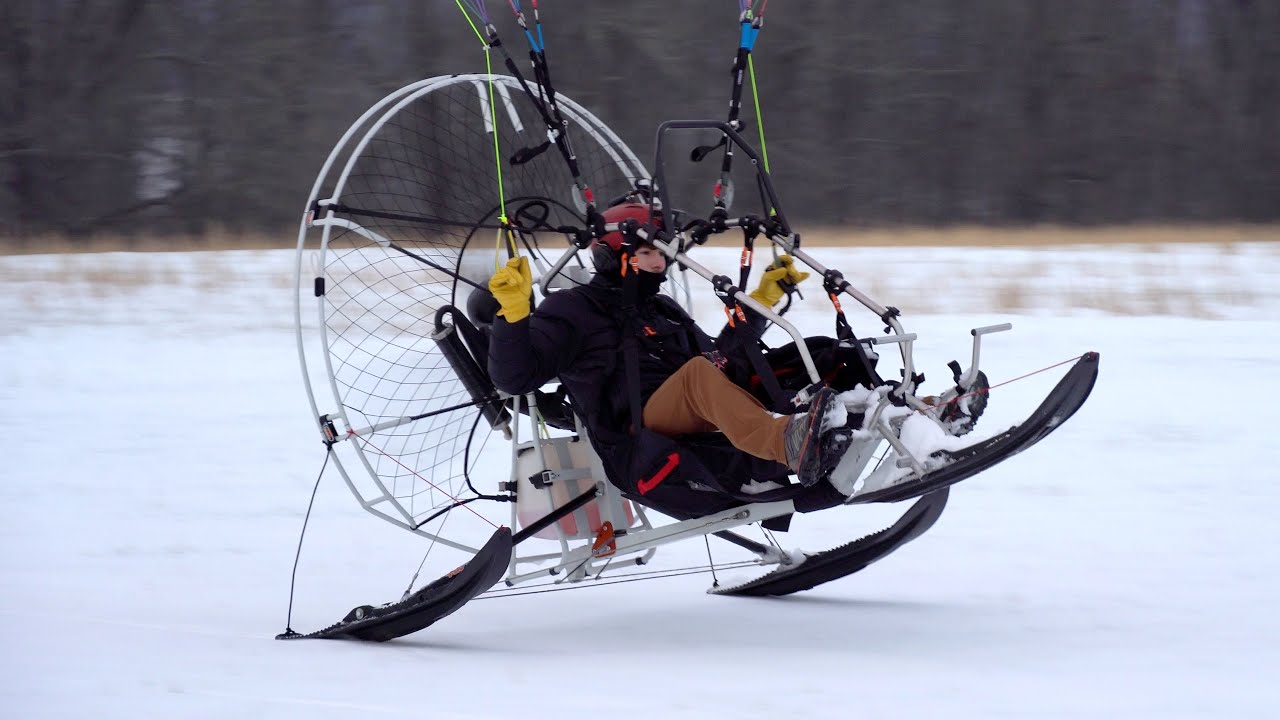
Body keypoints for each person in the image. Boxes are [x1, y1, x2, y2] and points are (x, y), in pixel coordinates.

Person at [485, 202, 857, 518]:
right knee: (697, 374)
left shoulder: (662, 308)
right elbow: (515, 379)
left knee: (821, 352)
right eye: (647, 252)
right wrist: (514, 315)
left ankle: (878, 411)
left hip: (694, 410)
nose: (658, 262)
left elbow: (719, 359)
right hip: (638, 435)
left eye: (661, 253)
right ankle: (784, 444)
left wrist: (760, 300)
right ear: (610, 256)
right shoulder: (573, 308)